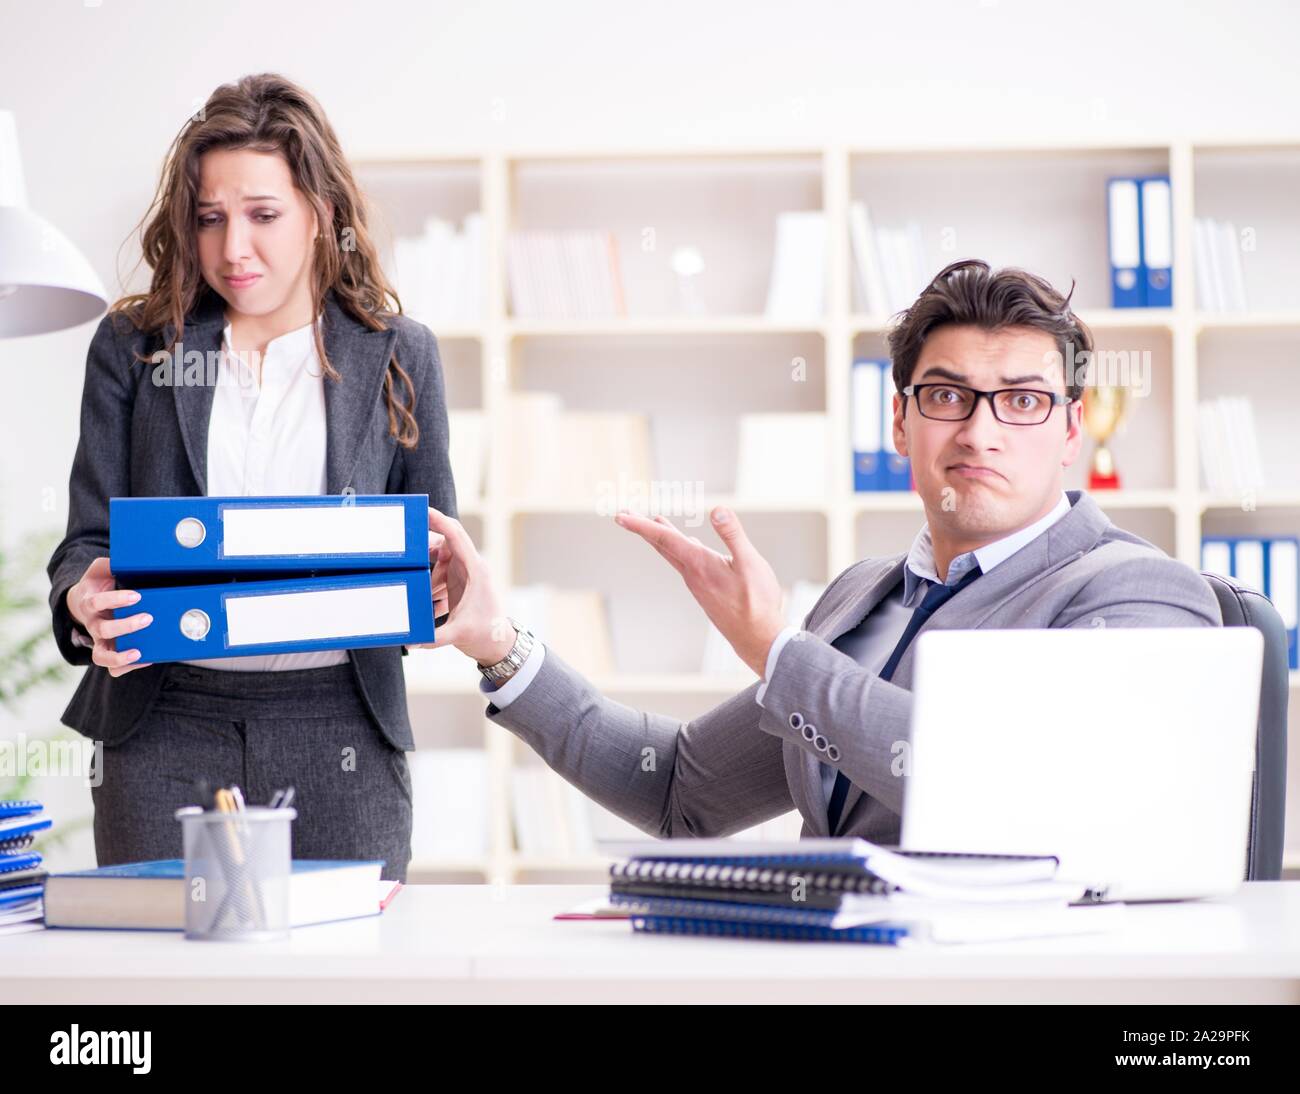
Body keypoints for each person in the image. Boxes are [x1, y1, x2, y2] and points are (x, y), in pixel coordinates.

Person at [419, 258, 1220, 842]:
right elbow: (677, 791)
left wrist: (775, 648)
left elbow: (1013, 788)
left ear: (1071, 430)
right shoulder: (863, 597)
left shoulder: (1139, 593)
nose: (980, 432)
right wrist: (500, 645)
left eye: (1021, 400)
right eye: (946, 396)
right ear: (900, 423)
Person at [47, 73, 457, 882]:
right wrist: (80, 600)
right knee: (160, 971)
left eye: (264, 215)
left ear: (321, 214)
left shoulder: (402, 353)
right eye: (210, 218)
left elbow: (436, 544)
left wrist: (447, 586)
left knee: (346, 978)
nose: (234, 249)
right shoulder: (133, 349)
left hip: (341, 724)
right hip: (164, 721)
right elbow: (86, 544)